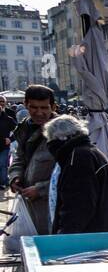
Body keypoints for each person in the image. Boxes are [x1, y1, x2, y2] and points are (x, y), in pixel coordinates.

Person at [43, 115, 108, 234]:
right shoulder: (89, 151)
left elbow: (79, 206)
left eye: (51, 141)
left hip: (90, 238)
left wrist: (64, 236)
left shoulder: (78, 158)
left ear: (60, 139)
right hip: (103, 231)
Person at [6, 85, 59, 233]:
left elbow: (73, 174)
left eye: (44, 108)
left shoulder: (65, 132)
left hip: (56, 203)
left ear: (53, 107)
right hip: (29, 200)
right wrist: (15, 177)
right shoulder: (24, 127)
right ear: (25, 105)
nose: (39, 112)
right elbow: (19, 157)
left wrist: (41, 189)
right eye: (34, 107)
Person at [0, 96, 16, 189]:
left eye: (2, 101)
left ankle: (4, 181)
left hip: (5, 145)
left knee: (3, 164)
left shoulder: (9, 115)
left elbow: (17, 130)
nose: (1, 103)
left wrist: (11, 139)